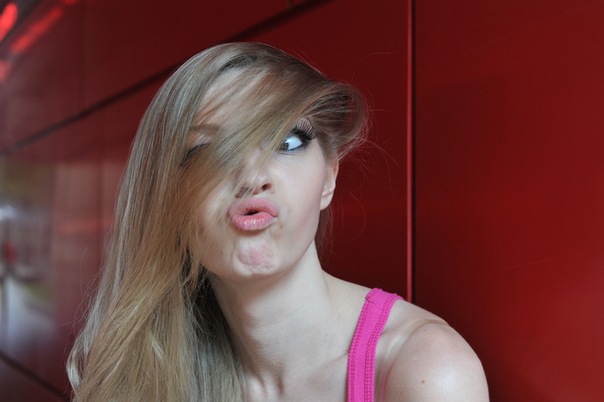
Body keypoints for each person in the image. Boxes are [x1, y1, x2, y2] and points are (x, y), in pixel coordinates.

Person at [67, 42, 489, 401]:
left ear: (329, 177)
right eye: (207, 151)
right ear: (164, 195)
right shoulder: (145, 371)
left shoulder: (426, 371)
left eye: (286, 141)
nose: (253, 177)